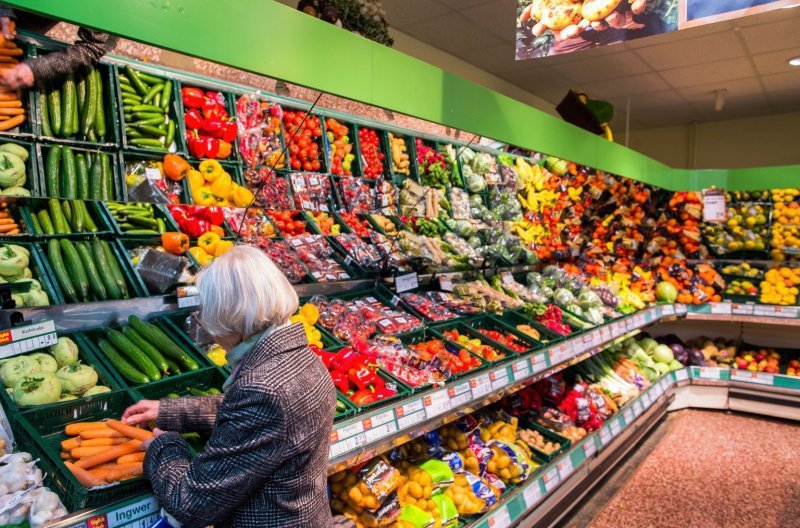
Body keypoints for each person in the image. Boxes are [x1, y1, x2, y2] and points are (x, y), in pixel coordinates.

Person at [121, 245, 337, 528]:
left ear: (226, 316)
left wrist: (164, 446)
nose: (207, 324)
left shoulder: (263, 389)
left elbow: (191, 503)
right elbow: (256, 416)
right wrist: (169, 411)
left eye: (205, 312)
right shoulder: (301, 356)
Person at [0, 6, 115, 89]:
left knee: (27, 30)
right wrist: (4, 8)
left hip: (35, 18)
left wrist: (40, 68)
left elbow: (93, 46)